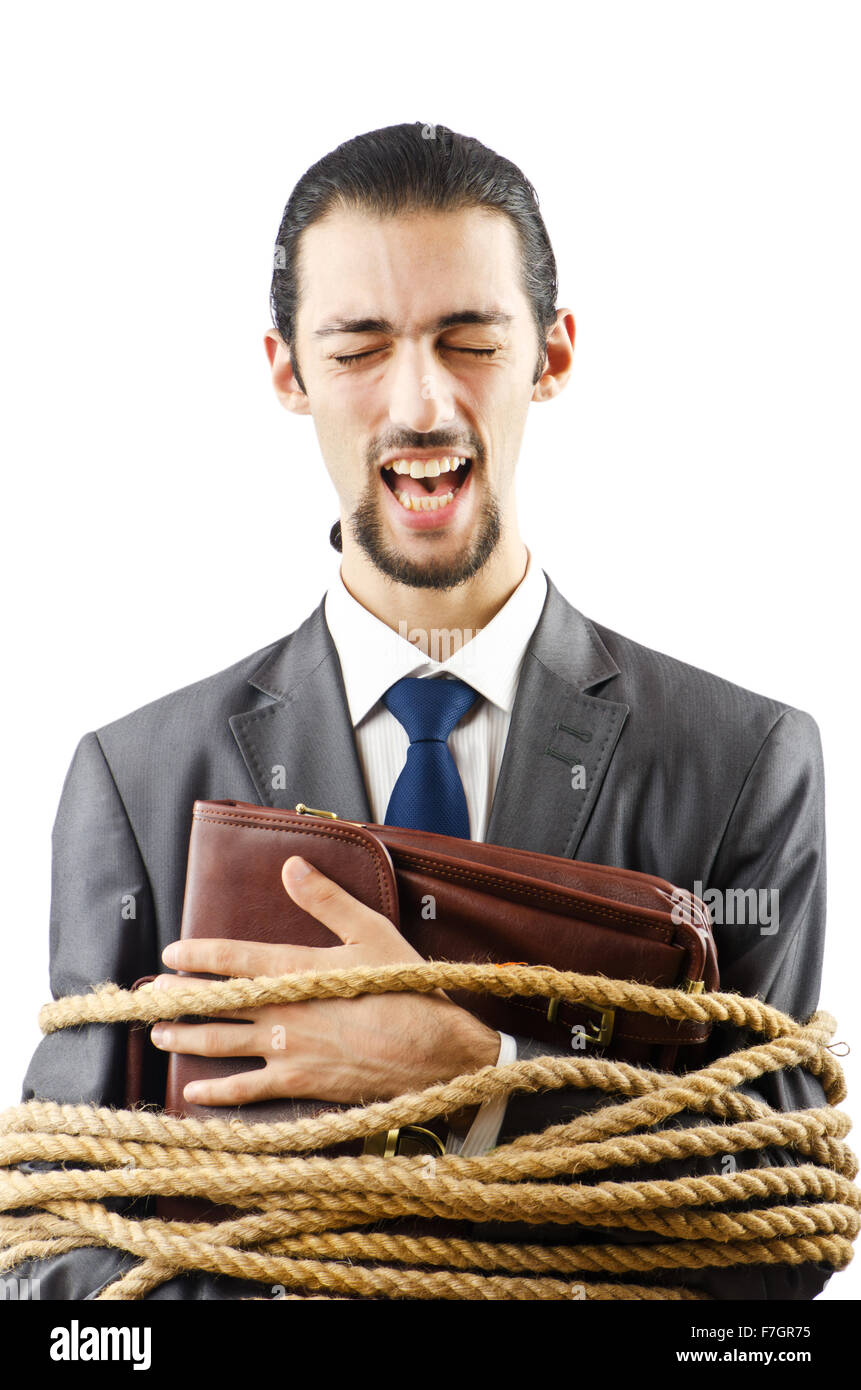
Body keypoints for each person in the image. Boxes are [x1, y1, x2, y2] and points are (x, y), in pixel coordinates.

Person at [12, 123, 831, 1300]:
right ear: (287, 371)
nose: (423, 402)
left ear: (551, 354)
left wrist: (479, 1072)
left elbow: (785, 1236)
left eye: (470, 340)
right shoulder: (134, 781)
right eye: (359, 348)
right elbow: (52, 1254)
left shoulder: (746, 761)